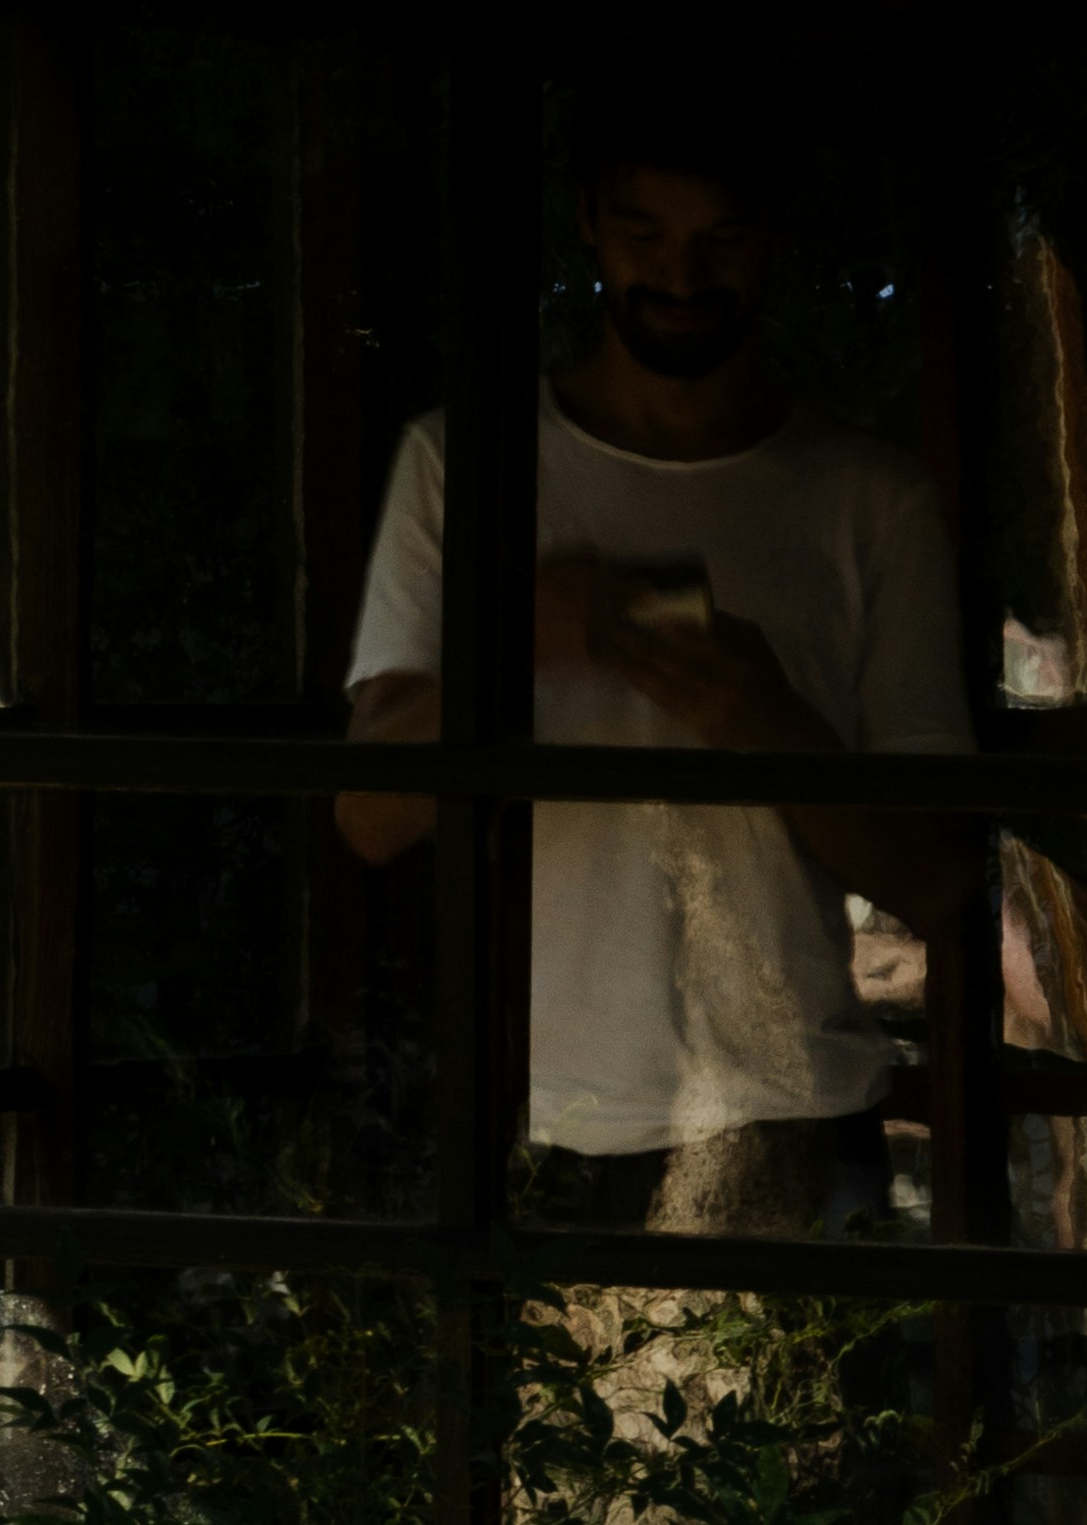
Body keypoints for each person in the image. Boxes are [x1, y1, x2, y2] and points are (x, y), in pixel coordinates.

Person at [336, 66, 969, 1235]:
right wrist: (528, 632)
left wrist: (766, 720)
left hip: (788, 1108)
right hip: (531, 1111)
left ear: (770, 235)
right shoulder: (461, 467)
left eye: (719, 237)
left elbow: (935, 874)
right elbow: (368, 812)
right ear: (587, 222)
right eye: (643, 233)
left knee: (791, 1422)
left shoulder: (868, 499)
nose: (680, 276)